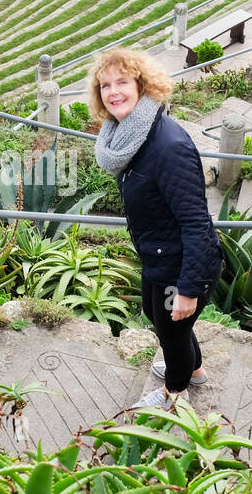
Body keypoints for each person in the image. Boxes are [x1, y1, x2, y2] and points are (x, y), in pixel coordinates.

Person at [90, 49, 222, 411]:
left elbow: (196, 223)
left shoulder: (168, 147)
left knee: (172, 331)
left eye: (122, 82)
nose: (113, 92)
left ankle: (175, 396)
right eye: (105, 85)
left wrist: (188, 290)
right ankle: (194, 371)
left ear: (141, 85)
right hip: (159, 255)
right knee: (161, 319)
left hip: (180, 264)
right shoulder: (129, 135)